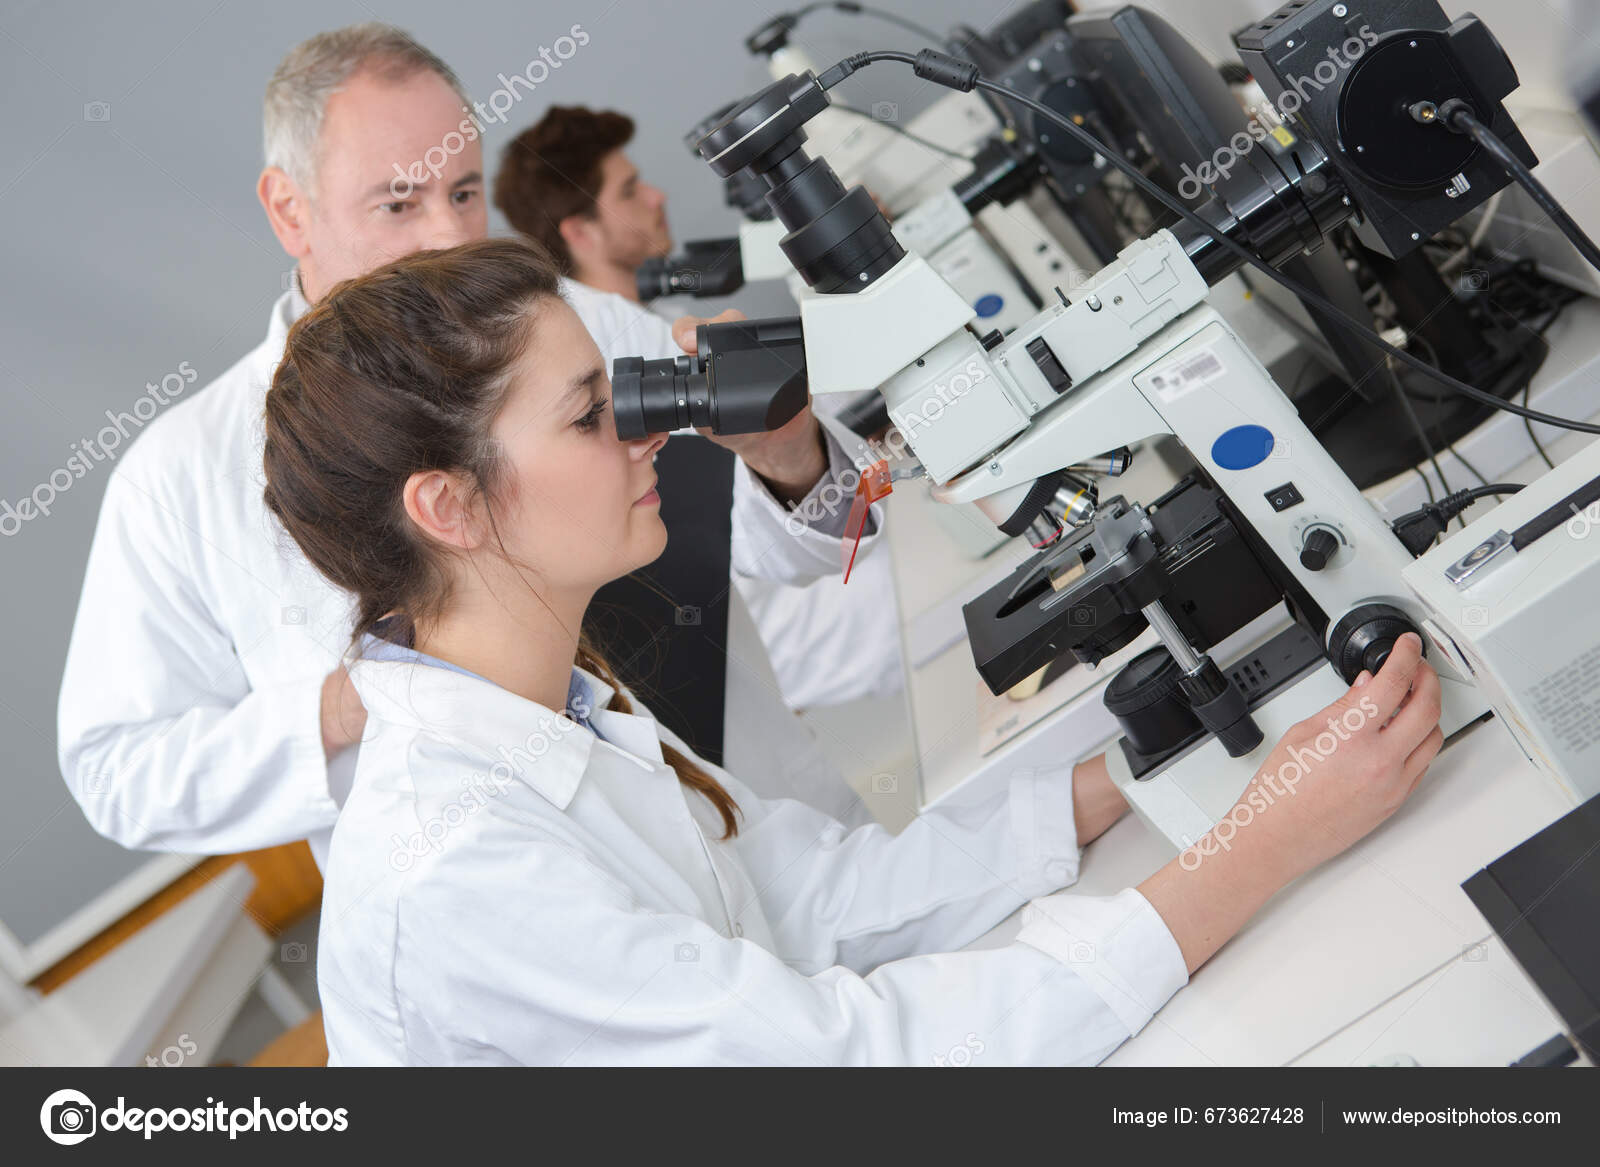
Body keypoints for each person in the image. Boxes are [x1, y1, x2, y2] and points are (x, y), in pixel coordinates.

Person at [265, 237, 1445, 1065]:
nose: (653, 433)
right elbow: (851, 1068)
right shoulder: (460, 870)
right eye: (591, 416)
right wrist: (1261, 844)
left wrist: (1116, 782)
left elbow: (808, 899)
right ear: (451, 508)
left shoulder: (558, 706)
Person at [56, 24, 879, 869]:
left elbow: (810, 535)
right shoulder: (179, 475)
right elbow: (117, 769)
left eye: (463, 192)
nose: (449, 239)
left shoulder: (575, 322)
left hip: (768, 829)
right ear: (289, 209)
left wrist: (787, 453)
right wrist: (348, 705)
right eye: (399, 203)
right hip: (516, 900)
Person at [495, 105, 904, 713]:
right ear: (581, 232)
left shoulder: (651, 330)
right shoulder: (620, 358)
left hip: (827, 585)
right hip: (811, 627)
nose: (657, 197)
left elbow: (810, 431)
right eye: (630, 190)